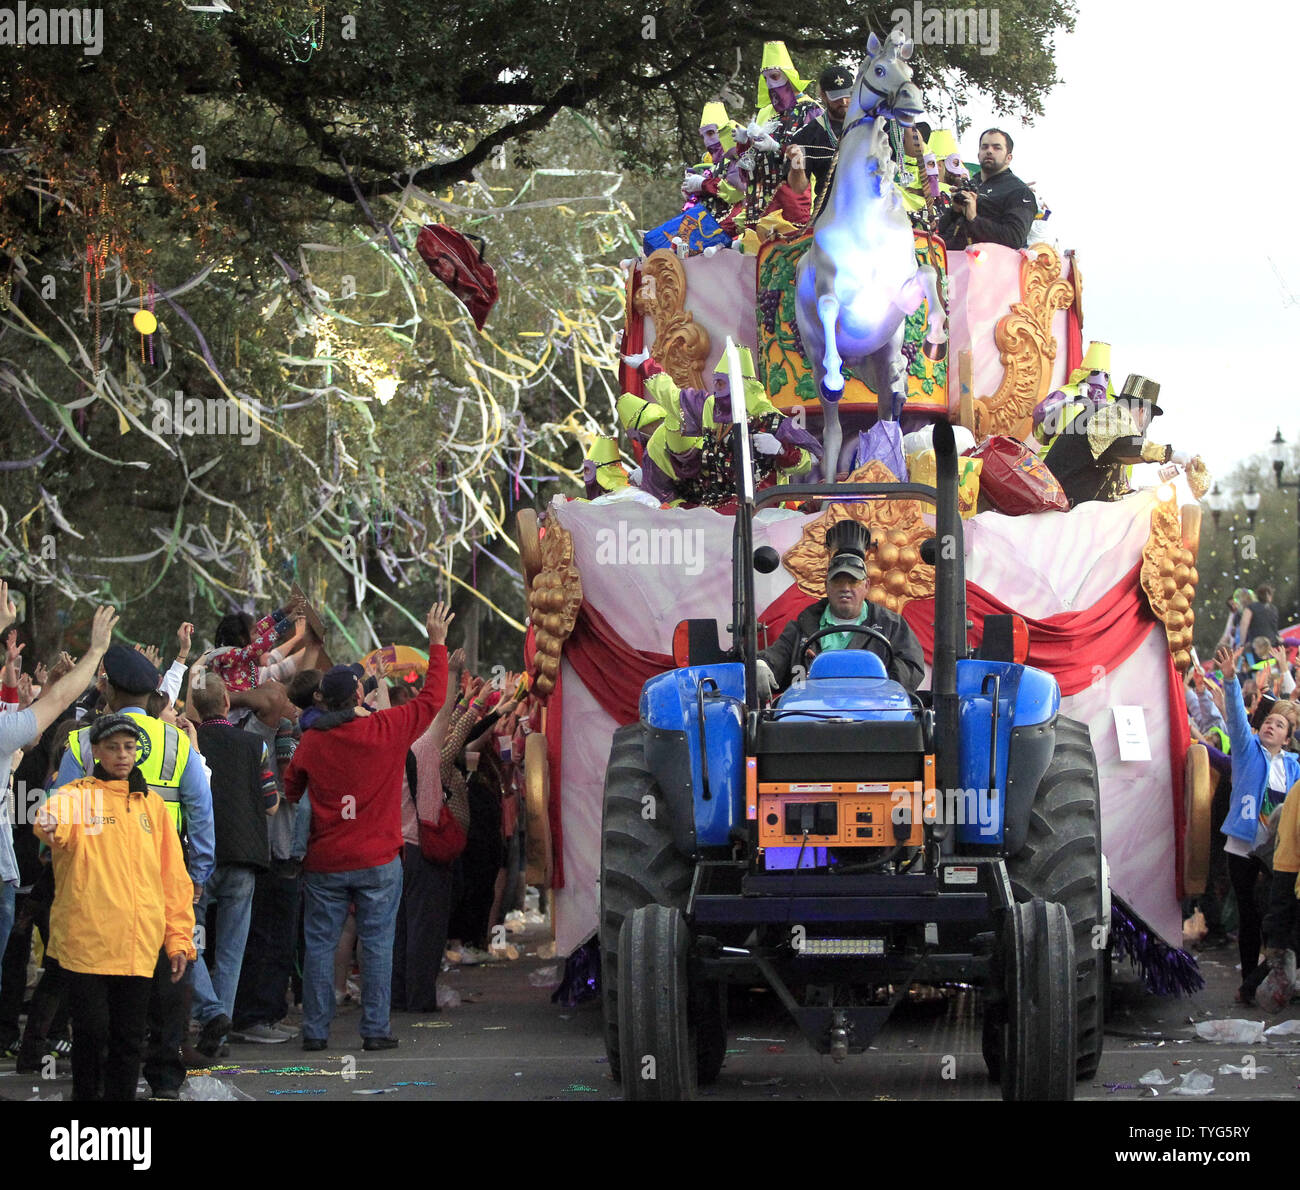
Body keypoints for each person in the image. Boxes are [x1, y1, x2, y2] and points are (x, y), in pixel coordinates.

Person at [284, 601, 453, 1051]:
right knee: (377, 944)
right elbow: (433, 699)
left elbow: (291, 787)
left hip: (326, 862)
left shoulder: (312, 743)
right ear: (358, 697)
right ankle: (376, 1030)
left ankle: (316, 1031)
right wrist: (436, 643)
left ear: (323, 700)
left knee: (321, 945)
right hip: (379, 858)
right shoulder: (387, 728)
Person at [53, 640, 215, 1099]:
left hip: (95, 891)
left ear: (107, 687)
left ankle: (100, 1086)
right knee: (167, 990)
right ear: (151, 695)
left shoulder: (83, 741)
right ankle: (164, 1077)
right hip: (164, 886)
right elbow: (202, 813)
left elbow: (54, 810)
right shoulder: (178, 742)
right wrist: (199, 876)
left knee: (99, 1008)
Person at [34, 712, 196, 1101]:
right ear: (97, 752)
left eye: (129, 747)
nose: (122, 755)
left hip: (137, 948)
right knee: (91, 1036)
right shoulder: (77, 796)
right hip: (87, 944)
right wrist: (49, 824)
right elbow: (53, 816)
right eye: (112, 747)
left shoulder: (153, 807)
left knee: (127, 1042)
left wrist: (178, 939)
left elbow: (173, 878)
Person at [188, 674, 279, 1056]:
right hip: (244, 857)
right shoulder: (253, 744)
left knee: (190, 940)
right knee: (230, 950)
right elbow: (272, 803)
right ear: (227, 701)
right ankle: (218, 1027)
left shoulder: (186, 744)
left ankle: (208, 1013)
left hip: (197, 860)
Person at [1214, 643, 1300, 1002]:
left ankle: (1271, 980)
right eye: (1267, 721)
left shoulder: (1294, 766)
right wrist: (1231, 680)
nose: (1270, 726)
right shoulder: (1248, 750)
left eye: (1278, 724)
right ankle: (1249, 983)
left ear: (1287, 736)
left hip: (1279, 853)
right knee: (1250, 915)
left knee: (1277, 920)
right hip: (1244, 846)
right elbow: (1235, 717)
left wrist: (1288, 677)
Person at [757, 522, 926, 695]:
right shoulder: (802, 626)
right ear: (826, 586)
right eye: (838, 581)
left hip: (875, 712)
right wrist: (762, 664)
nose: (845, 588)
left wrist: (878, 687)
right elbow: (778, 655)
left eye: (853, 581)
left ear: (867, 585)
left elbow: (911, 666)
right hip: (810, 713)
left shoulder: (891, 625)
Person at [1040, 374, 1191, 507]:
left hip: (1071, 510)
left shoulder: (1111, 422)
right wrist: (1168, 453)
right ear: (1143, 412)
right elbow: (1125, 446)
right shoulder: (1110, 415)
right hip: (1060, 510)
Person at [935, 128, 1037, 251]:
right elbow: (942, 230)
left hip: (989, 266)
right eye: (985, 147)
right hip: (948, 261)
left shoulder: (1019, 191)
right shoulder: (971, 184)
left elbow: (1014, 238)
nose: (989, 151)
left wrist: (974, 218)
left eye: (996, 147)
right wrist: (955, 211)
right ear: (978, 155)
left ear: (1008, 158)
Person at [788, 63, 854, 209]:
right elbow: (798, 188)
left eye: (846, 95)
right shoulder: (805, 137)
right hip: (830, 212)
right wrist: (797, 165)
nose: (843, 102)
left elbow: (911, 151)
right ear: (823, 95)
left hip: (872, 211)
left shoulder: (870, 124)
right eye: (836, 98)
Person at [1239, 584, 1282, 651]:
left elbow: (1244, 624)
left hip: (1256, 645)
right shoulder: (1273, 609)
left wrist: (1242, 643)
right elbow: (1274, 628)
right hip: (1272, 645)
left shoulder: (1251, 608)